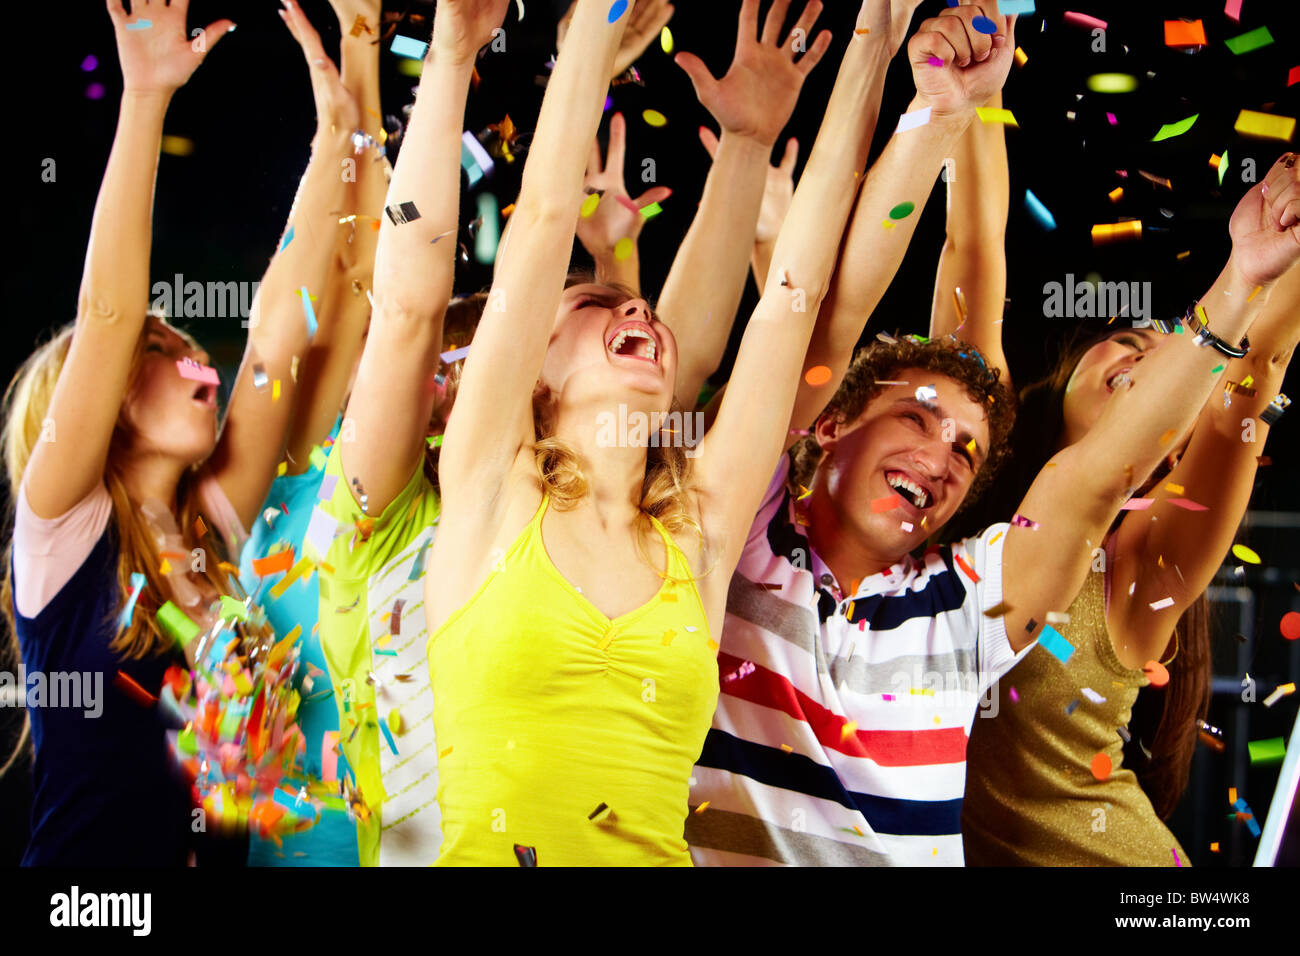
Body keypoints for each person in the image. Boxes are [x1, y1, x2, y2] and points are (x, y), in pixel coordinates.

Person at [325, 0, 832, 864]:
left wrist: (735, 148)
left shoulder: (586, 489)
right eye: (453, 355)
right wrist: (461, 60)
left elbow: (686, 353)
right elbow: (409, 303)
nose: (463, 367)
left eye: (490, 346)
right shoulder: (383, 520)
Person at [0, 0, 315, 865]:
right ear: (105, 396)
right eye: (162, 349)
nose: (197, 362)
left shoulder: (213, 524)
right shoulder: (64, 525)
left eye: (189, 342)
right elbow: (105, 316)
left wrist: (341, 125)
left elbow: (279, 332)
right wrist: (145, 98)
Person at [951, 154, 1300, 865]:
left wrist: (1276, 246)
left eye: (1171, 366)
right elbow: (975, 250)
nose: (1146, 367)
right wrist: (970, 92)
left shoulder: (1144, 565)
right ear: (1067, 369)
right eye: (1132, 344)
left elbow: (1254, 365)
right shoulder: (962, 476)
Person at [235, 0, 369, 868]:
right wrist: (347, 121)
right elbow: (347, 291)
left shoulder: (454, 492)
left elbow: (370, 287)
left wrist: (356, 87)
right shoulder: (280, 490)